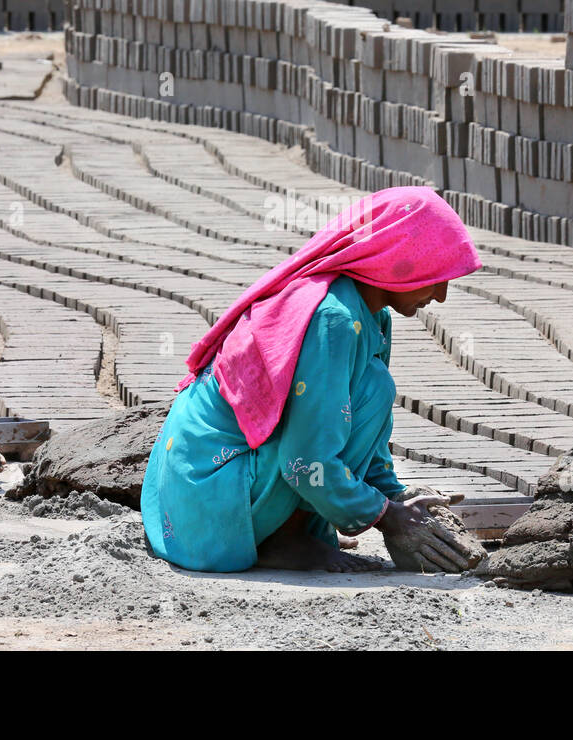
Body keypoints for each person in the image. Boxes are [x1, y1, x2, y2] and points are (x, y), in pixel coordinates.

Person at [141, 186, 483, 573]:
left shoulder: (371, 316)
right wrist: (386, 516)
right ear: (394, 260)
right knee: (363, 395)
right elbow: (305, 459)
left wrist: (396, 496)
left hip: (200, 498)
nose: (441, 296)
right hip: (207, 500)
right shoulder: (332, 319)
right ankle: (283, 538)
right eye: (435, 276)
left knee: (372, 386)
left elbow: (364, 427)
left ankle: (287, 528)